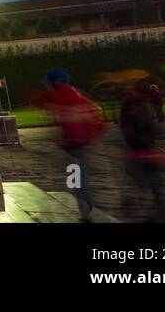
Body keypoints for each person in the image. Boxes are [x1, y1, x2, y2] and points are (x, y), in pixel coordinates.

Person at [35, 69, 106, 221]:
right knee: (79, 175)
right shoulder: (77, 95)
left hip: (72, 145)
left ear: (55, 82)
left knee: (77, 178)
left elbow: (38, 101)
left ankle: (86, 208)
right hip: (83, 144)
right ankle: (87, 202)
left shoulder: (57, 95)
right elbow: (97, 119)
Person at [119, 80, 165, 220]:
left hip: (141, 147)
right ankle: (157, 208)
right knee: (147, 178)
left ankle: (144, 207)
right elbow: (142, 126)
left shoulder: (133, 104)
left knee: (140, 177)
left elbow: (133, 126)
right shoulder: (136, 104)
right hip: (142, 146)